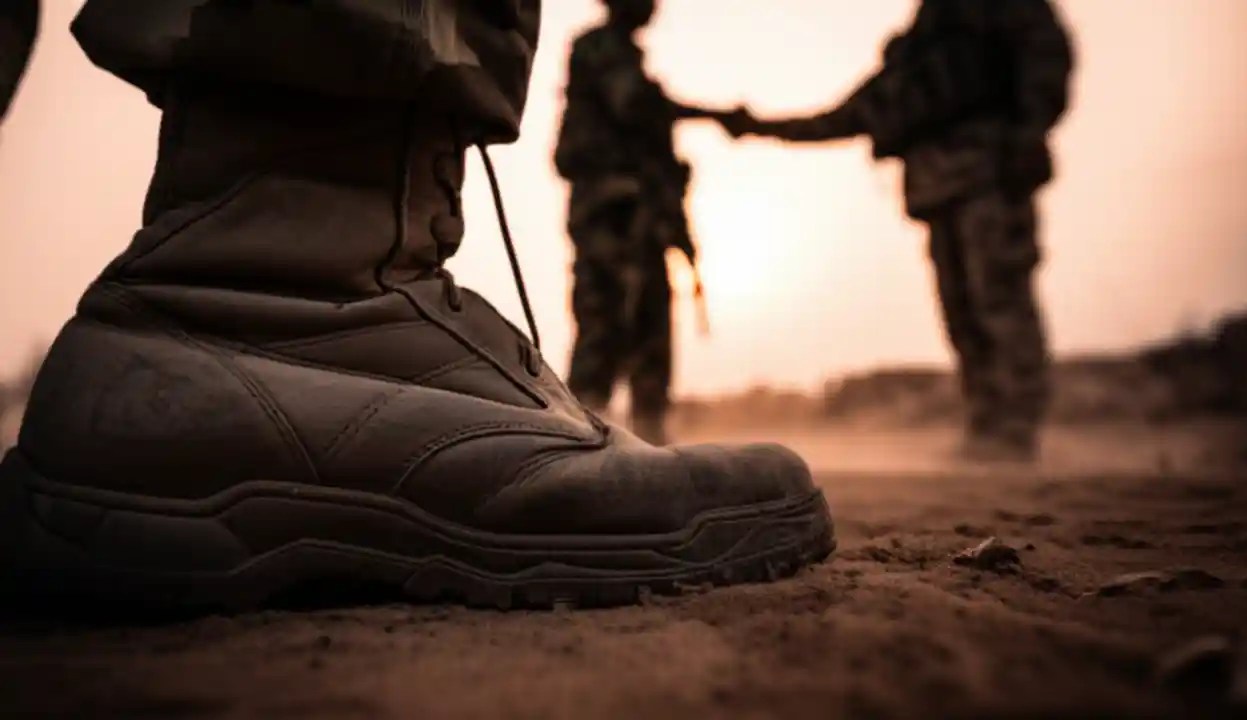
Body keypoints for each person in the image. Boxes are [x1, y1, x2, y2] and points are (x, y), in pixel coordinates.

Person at [0, 1, 834, 612]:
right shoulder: (609, 61)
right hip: (613, 214)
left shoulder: (630, 68)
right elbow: (634, 113)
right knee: (612, 335)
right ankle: (284, 300)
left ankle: (225, 321)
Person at [724, 0, 1073, 462]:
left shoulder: (1001, 13)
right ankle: (988, 427)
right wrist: (758, 127)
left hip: (990, 179)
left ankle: (1016, 430)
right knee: (963, 315)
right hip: (938, 192)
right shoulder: (920, 44)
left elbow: (1046, 64)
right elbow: (848, 116)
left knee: (1000, 304)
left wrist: (1028, 133)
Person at [554, 0, 722, 446]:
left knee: (646, 334)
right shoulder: (601, 49)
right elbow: (634, 105)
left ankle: (644, 442)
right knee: (607, 325)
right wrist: (715, 114)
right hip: (614, 213)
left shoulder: (621, 56)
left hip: (641, 217)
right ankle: (574, 441)